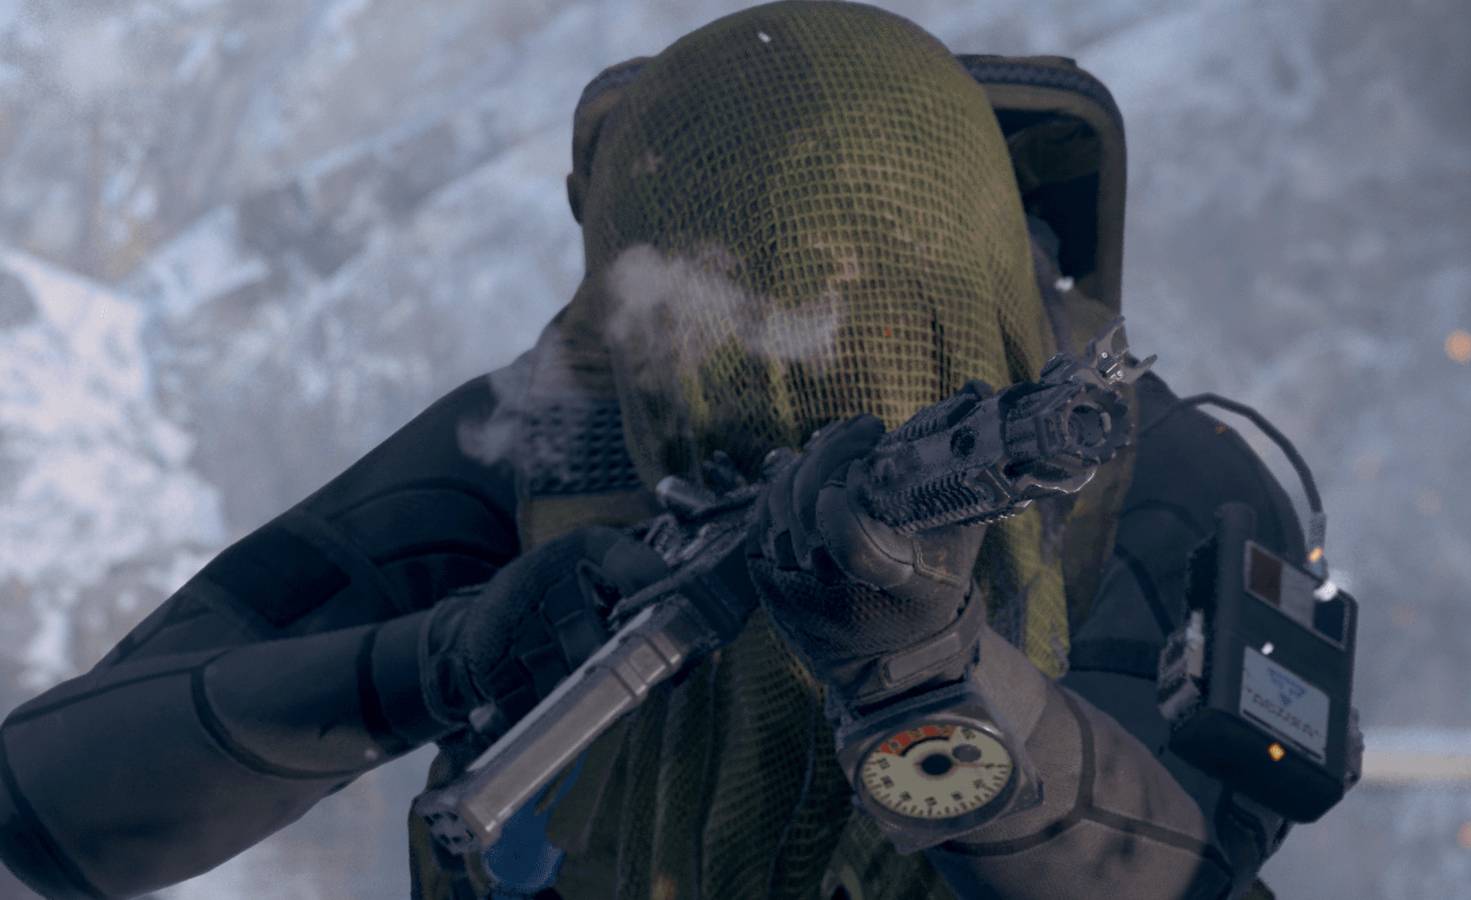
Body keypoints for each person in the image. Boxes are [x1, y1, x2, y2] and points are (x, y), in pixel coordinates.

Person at [0, 3, 1313, 898]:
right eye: (733, 281)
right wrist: (443, 661)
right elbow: (57, 804)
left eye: (847, 283)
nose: (788, 339)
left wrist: (925, 671)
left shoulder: (1152, 478)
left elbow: (1180, 867)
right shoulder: (569, 433)